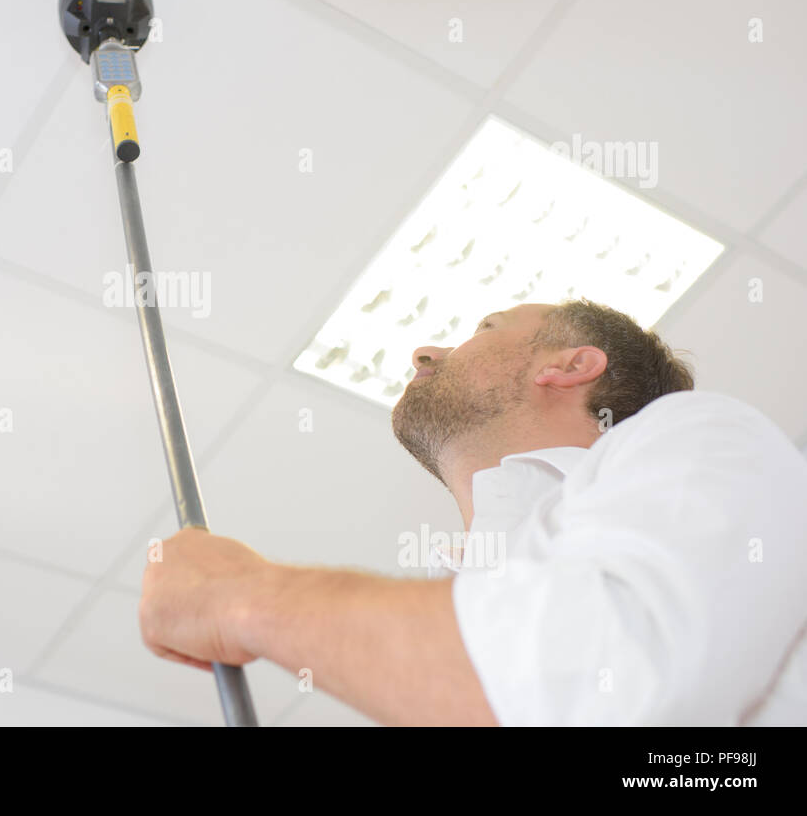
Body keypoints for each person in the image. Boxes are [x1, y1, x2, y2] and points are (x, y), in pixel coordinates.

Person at [138, 298, 807, 724]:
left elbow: (602, 696)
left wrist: (240, 597)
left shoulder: (698, 435)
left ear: (572, 365)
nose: (425, 353)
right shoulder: (466, 593)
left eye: (483, 328)